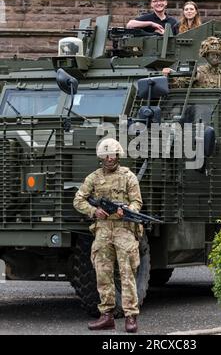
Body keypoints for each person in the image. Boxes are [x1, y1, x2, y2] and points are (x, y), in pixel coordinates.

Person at [73, 138, 143, 333]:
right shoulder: (93, 178)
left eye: (112, 155)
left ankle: (131, 316)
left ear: (118, 155)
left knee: (127, 273)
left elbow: (137, 203)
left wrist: (128, 209)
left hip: (123, 229)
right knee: (102, 274)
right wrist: (93, 211)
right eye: (106, 155)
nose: (109, 158)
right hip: (103, 230)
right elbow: (78, 200)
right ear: (101, 157)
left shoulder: (128, 176)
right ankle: (107, 316)